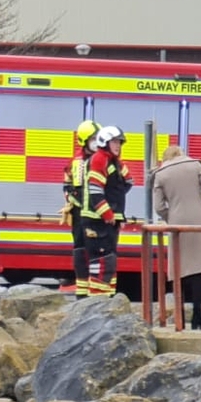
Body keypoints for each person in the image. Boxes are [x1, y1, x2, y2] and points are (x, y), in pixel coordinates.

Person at [149, 145, 201, 329]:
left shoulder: (161, 174)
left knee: (179, 270)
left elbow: (158, 207)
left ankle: (180, 317)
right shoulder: (196, 165)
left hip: (177, 223)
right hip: (199, 220)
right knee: (198, 270)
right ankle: (197, 315)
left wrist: (170, 216)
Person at [81, 125, 132, 297]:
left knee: (109, 264)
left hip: (108, 222)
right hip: (97, 221)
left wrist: (117, 215)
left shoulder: (111, 161)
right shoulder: (99, 159)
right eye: (115, 142)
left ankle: (107, 301)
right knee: (101, 263)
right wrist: (108, 214)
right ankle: (97, 304)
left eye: (120, 142)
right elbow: (96, 190)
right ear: (105, 142)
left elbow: (127, 182)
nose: (118, 145)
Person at [61, 119, 101, 296]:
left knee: (95, 254)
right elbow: (78, 190)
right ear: (85, 141)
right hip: (83, 215)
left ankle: (91, 290)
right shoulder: (79, 163)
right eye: (93, 139)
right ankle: (84, 293)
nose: (97, 142)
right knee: (83, 252)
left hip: (93, 214)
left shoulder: (97, 159)